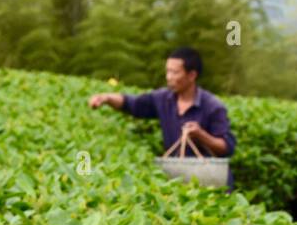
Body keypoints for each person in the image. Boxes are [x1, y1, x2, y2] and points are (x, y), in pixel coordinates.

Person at [87, 46, 237, 190]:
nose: (168, 77)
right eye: (167, 71)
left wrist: (200, 135)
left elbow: (226, 148)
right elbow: (132, 104)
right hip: (178, 178)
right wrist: (106, 98)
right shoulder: (163, 99)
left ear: (192, 75)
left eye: (174, 73)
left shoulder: (213, 106)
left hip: (210, 182)